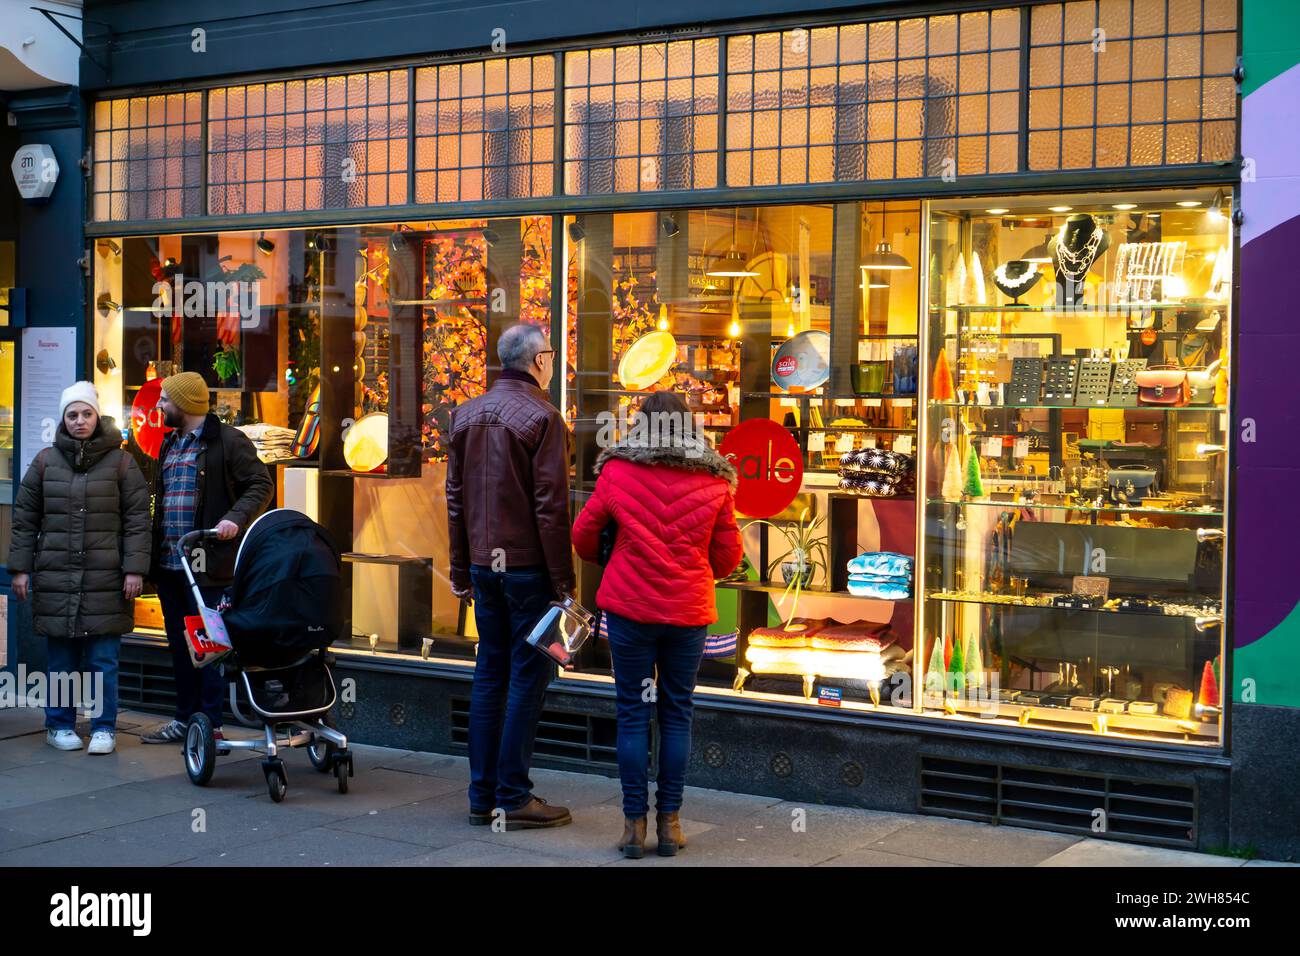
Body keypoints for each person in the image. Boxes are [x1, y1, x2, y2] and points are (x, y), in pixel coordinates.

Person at [571, 391, 742, 858]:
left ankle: (632, 827)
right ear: (690, 426)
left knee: (631, 713)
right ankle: (670, 824)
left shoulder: (617, 472)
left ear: (642, 425)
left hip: (630, 609)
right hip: (687, 614)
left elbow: (583, 537)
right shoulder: (714, 480)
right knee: (676, 714)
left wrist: (618, 548)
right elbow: (728, 558)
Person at [446, 322, 575, 830]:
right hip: (526, 569)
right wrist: (563, 582)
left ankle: (483, 796)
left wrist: (461, 568)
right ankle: (514, 794)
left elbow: (455, 498)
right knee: (527, 675)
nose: (553, 362)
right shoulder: (543, 416)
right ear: (538, 361)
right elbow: (551, 507)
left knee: (490, 673)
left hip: (484, 565)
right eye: (551, 353)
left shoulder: (465, 415)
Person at [8, 382, 151, 754]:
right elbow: (25, 520)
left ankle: (104, 727)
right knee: (62, 661)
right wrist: (20, 569)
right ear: (63, 419)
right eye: (72, 415)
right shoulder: (44, 462)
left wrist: (134, 569)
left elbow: (138, 519)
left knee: (104, 660)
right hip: (57, 578)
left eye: (86, 413)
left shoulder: (122, 462)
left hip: (106, 579)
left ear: (97, 415)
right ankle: (59, 725)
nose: (79, 421)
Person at [140, 372, 272, 745]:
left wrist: (234, 518)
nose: (159, 406)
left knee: (209, 646)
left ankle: (209, 724)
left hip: (208, 567)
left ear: (183, 404)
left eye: (165, 399)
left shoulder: (228, 441)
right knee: (180, 645)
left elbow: (261, 483)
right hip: (170, 565)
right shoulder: (169, 444)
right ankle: (184, 719)